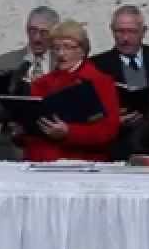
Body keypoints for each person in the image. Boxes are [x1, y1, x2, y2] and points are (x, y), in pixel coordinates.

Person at [16, 21, 121, 162]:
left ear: (83, 50)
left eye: (67, 47)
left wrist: (69, 132)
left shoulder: (100, 82)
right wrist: (21, 132)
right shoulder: (41, 83)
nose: (60, 53)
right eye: (55, 48)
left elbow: (108, 130)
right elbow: (33, 127)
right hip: (39, 162)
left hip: (80, 163)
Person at [89, 5, 149, 159]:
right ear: (112, 30)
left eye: (131, 32)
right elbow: (91, 111)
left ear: (143, 32)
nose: (125, 38)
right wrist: (113, 120)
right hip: (118, 146)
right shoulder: (97, 65)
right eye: (120, 31)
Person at [0, 7, 61, 160]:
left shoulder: (63, 62)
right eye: (32, 31)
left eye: (44, 32)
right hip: (13, 145)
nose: (37, 38)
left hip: (52, 144)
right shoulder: (5, 63)